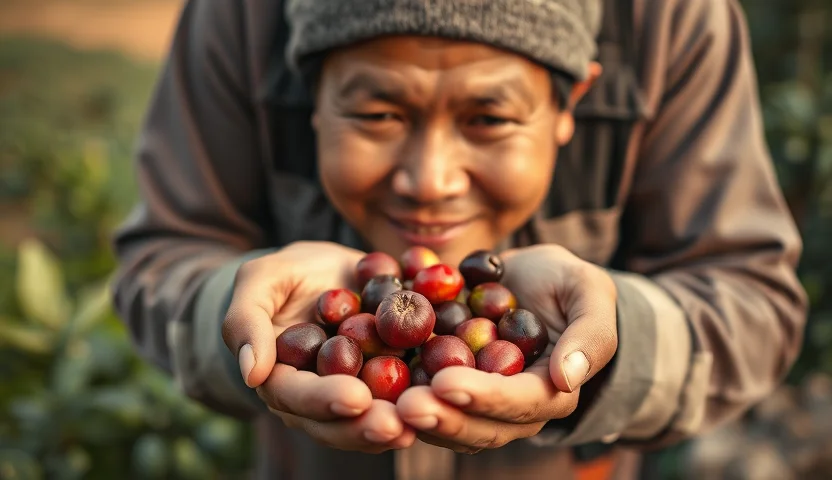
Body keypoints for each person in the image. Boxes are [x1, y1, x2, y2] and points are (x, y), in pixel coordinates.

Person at [110, 0, 808, 478]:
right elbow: (166, 252)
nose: (430, 180)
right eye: (379, 112)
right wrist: (236, 318)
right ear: (310, 92)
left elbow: (754, 297)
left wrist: (608, 346)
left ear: (572, 101)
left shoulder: (670, 21)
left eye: (490, 118)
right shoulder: (241, 18)